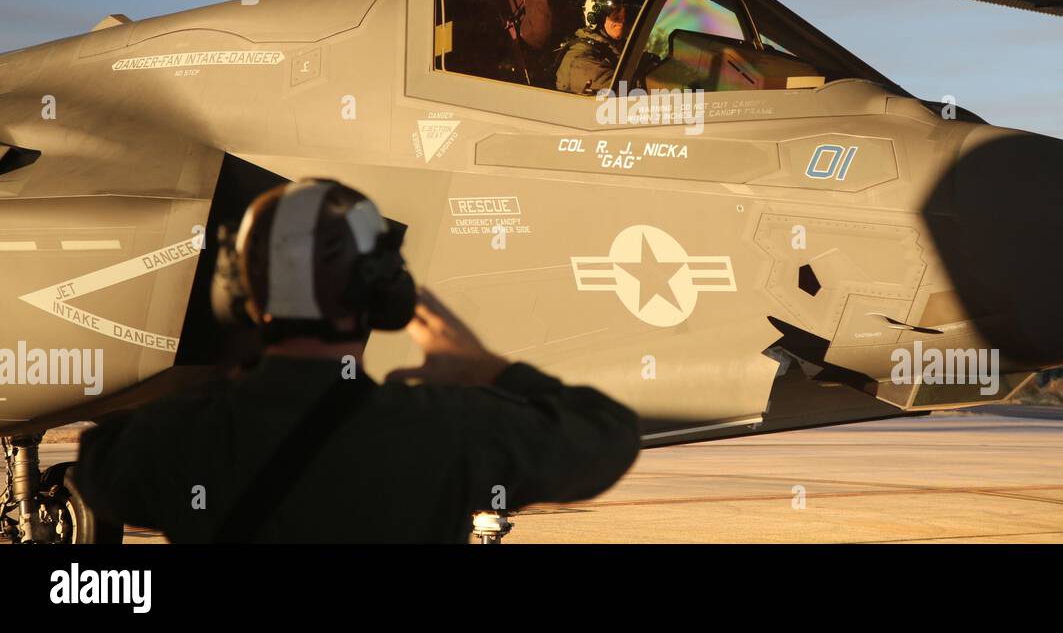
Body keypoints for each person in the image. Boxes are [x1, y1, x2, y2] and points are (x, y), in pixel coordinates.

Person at [72, 179, 640, 542]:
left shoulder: (183, 441)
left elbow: (100, 468)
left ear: (240, 298)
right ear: (382, 292)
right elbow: (607, 438)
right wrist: (483, 367)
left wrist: (239, 366)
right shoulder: (443, 430)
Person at [554, 0, 649, 94]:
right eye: (616, 12)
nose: (624, 20)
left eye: (632, 13)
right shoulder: (581, 58)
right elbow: (624, 93)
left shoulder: (623, 51)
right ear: (596, 14)